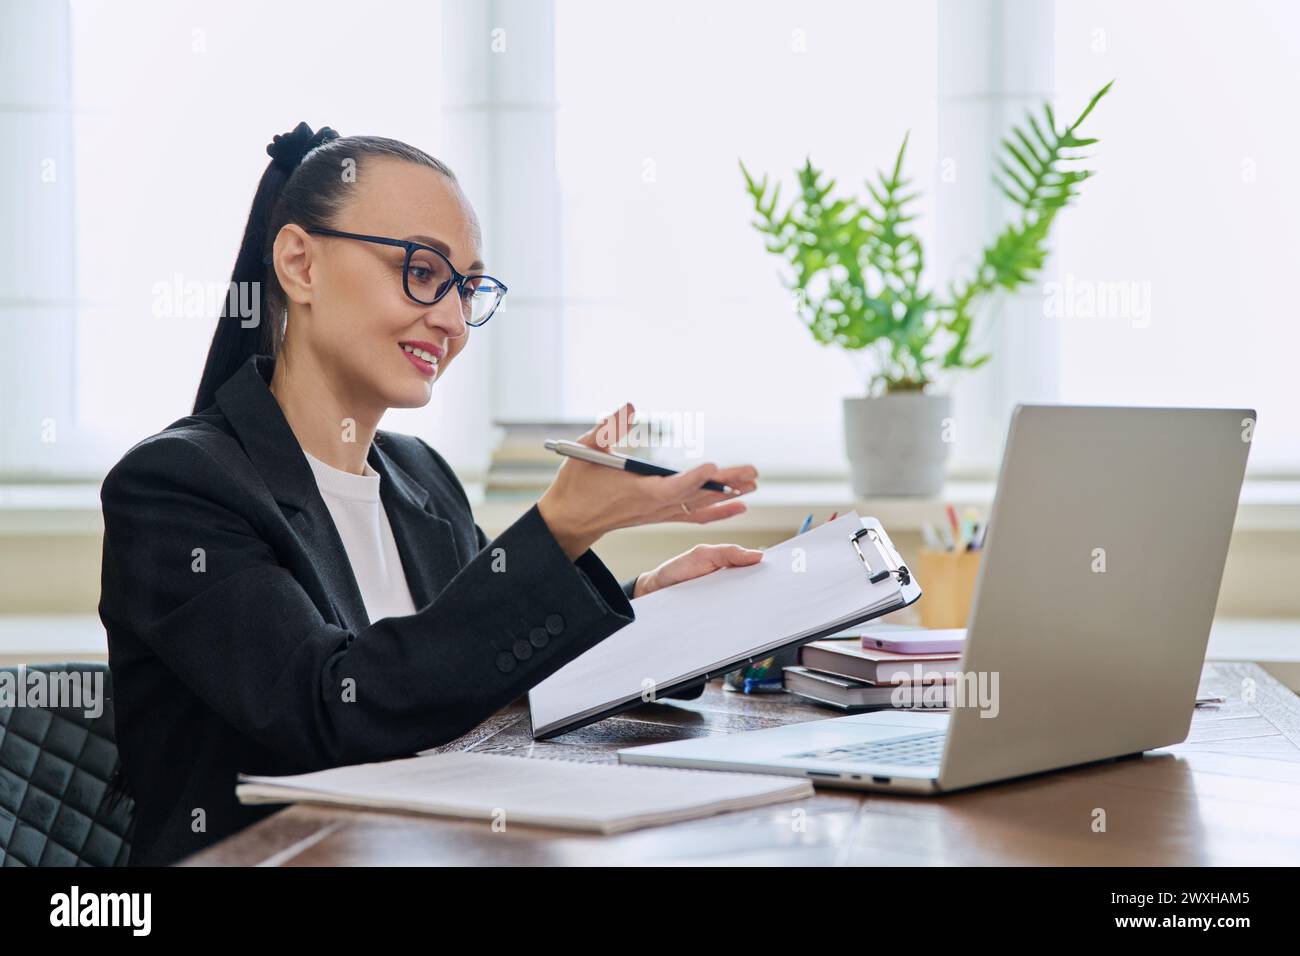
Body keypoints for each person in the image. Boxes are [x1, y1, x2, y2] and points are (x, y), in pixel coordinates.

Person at [98, 122, 761, 865]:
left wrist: (654, 602)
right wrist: (559, 530)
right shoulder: (174, 489)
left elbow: (479, 662)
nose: (451, 318)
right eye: (422, 271)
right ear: (299, 263)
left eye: (468, 288)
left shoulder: (422, 477)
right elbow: (330, 707)